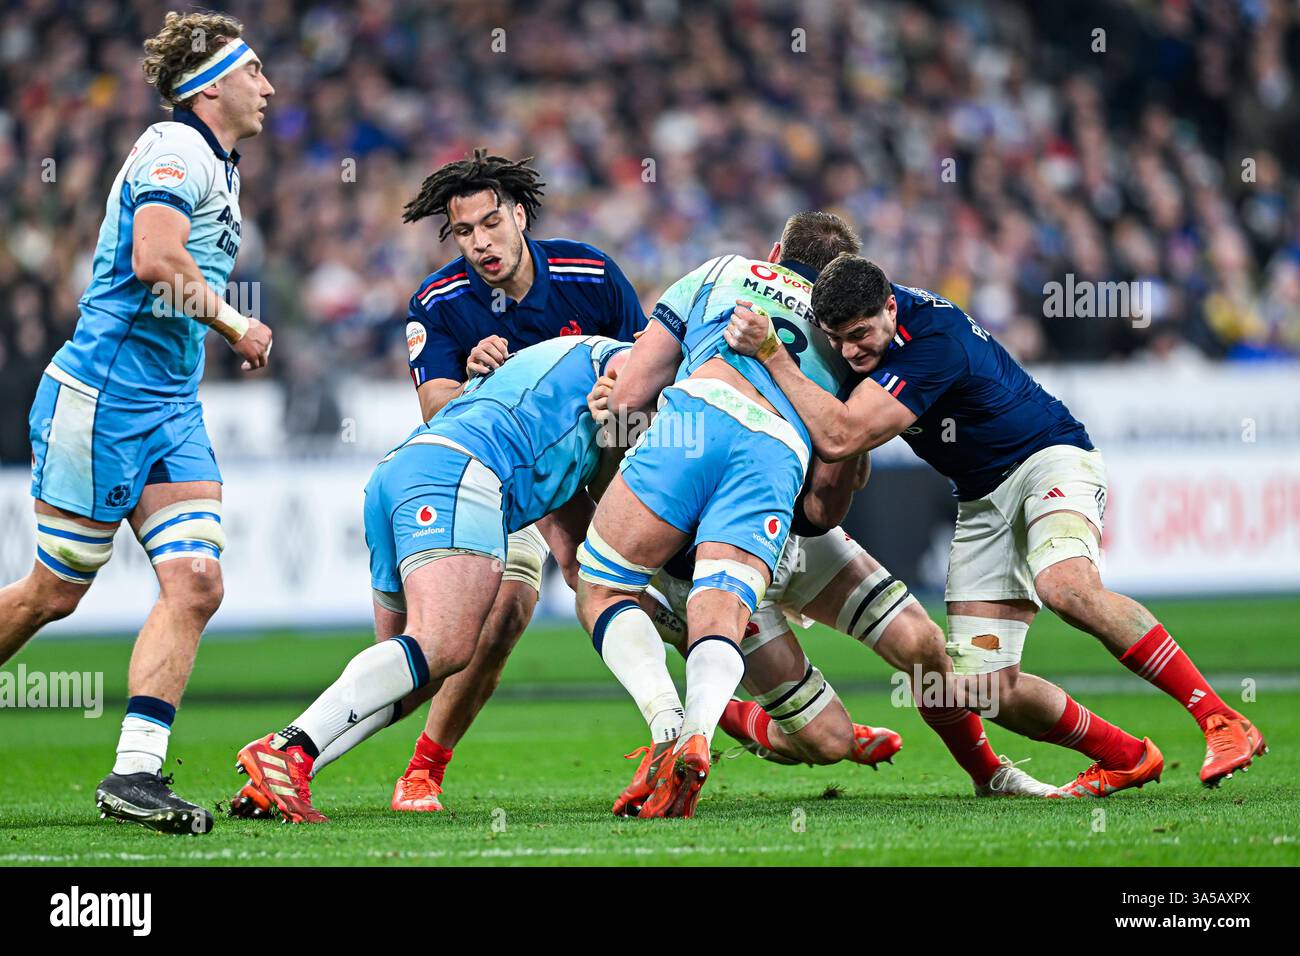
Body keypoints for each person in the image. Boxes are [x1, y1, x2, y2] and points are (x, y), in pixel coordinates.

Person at [723, 255, 1267, 796]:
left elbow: (841, 438)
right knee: (977, 688)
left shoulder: (933, 340)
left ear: (890, 307)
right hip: (982, 500)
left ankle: (1221, 719)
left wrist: (772, 352)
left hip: (1046, 458)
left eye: (860, 335)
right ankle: (1125, 756)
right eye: (837, 339)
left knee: (1067, 587)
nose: (849, 351)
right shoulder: (871, 332)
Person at [0, 11, 274, 834]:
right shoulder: (174, 148)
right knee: (53, 592)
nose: (268, 86)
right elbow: (157, 262)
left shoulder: (219, 164)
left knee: (196, 582)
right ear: (212, 84)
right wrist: (236, 324)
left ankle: (135, 776)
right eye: (253, 70)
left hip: (169, 406)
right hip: (104, 400)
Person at [233, 335, 632, 823]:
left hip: (399, 471)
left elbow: (581, 561)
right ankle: (284, 749)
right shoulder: (623, 358)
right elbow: (638, 363)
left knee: (409, 679)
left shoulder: (561, 423)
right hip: (459, 473)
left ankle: (282, 775)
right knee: (446, 646)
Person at [386, 150, 645, 811]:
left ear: (520, 215)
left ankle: (727, 719)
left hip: (597, 454)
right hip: (497, 472)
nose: (480, 243)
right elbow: (437, 414)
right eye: (464, 231)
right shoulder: (439, 303)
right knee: (502, 614)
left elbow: (650, 375)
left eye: (490, 223)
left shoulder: (590, 275)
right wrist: (478, 377)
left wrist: (618, 400)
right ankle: (422, 769)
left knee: (638, 576)